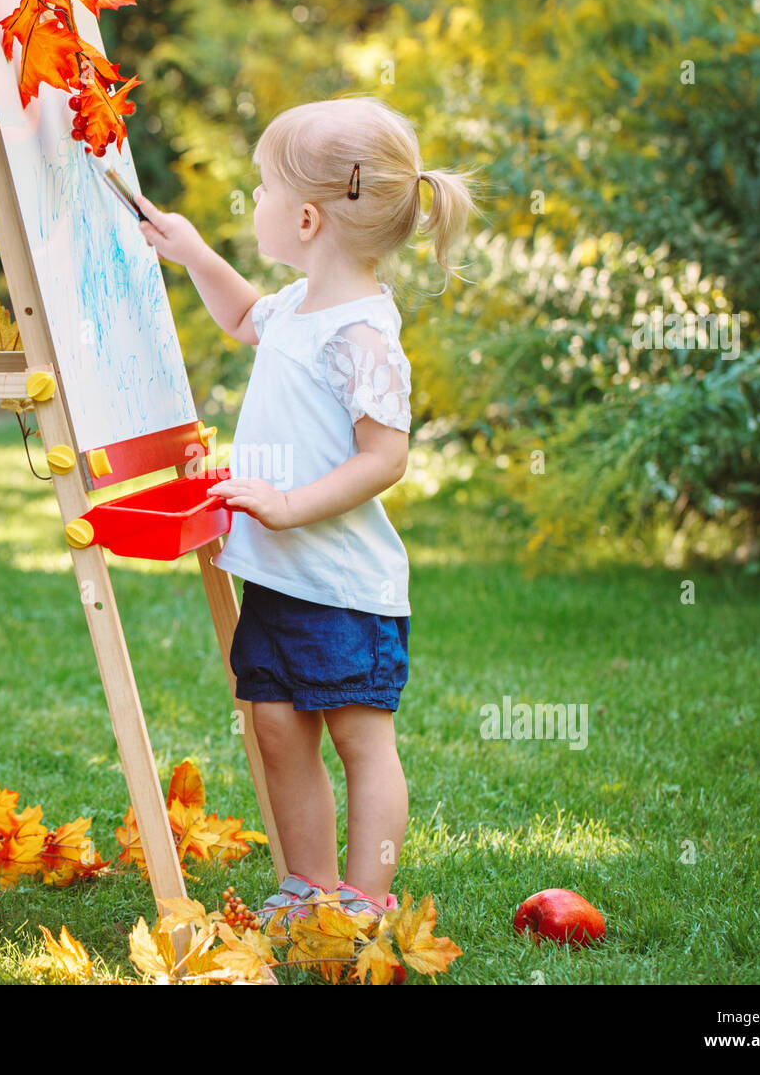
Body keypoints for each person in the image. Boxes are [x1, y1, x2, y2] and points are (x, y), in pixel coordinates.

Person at [134, 95, 476, 928]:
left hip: (344, 585)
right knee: (278, 728)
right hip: (279, 578)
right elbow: (247, 318)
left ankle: (364, 898)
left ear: (310, 218)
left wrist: (288, 505)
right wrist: (195, 255)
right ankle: (309, 887)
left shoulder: (362, 334)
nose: (254, 201)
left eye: (261, 189)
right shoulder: (294, 307)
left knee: (361, 741)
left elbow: (385, 457)